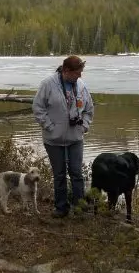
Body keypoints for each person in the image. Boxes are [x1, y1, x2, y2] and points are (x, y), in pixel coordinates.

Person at [32, 55, 94, 218]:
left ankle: (79, 207)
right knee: (59, 174)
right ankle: (61, 208)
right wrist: (50, 127)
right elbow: (38, 108)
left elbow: (89, 109)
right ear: (66, 71)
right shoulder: (48, 84)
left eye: (81, 72)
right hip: (53, 140)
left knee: (76, 173)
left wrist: (84, 126)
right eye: (77, 72)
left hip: (75, 138)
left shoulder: (81, 86)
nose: (80, 76)